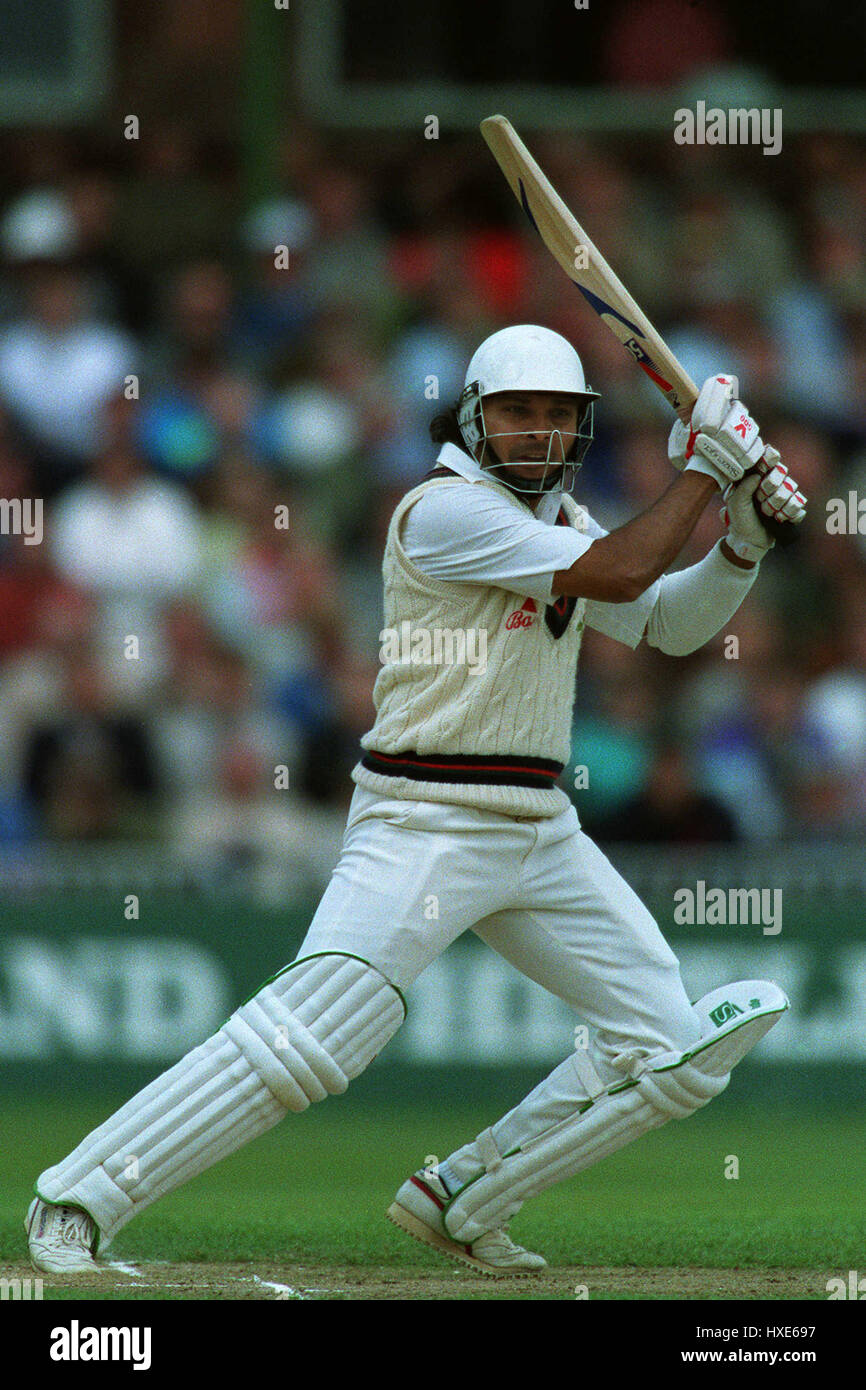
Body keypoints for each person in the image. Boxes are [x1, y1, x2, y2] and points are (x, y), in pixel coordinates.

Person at [27, 325, 805, 1277]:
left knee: (671, 1051)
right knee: (313, 1038)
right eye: (517, 413)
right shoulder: (441, 512)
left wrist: (742, 541)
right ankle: (76, 1200)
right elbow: (621, 575)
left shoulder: (565, 523)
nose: (538, 433)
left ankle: (462, 1198)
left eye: (558, 416)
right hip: (423, 817)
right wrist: (706, 473)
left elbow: (667, 624)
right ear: (472, 418)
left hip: (538, 827)